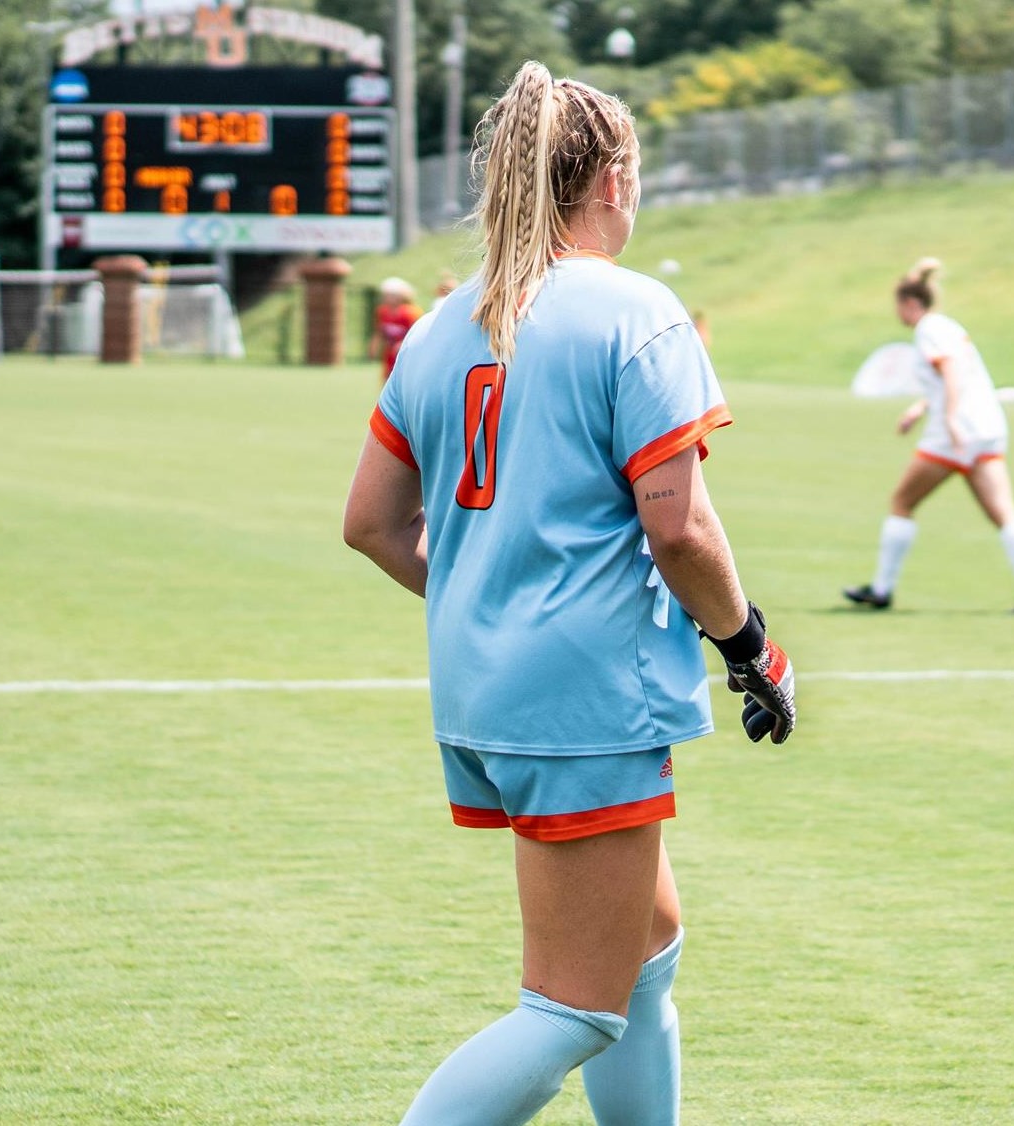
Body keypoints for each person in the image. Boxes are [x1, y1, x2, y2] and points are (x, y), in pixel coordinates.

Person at [342, 62, 796, 1126]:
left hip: (483, 689)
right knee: (572, 1009)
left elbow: (371, 523)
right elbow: (677, 523)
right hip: (583, 700)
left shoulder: (446, 323)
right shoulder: (634, 311)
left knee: (645, 952)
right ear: (612, 180)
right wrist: (750, 648)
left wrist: (486, 599)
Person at [843, 258, 1014, 614]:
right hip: (986, 429)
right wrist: (920, 407)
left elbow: (952, 371)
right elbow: (956, 376)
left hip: (954, 434)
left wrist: (951, 418)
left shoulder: (928, 329)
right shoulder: (948, 326)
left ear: (910, 304)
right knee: (1003, 512)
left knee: (902, 502)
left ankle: (881, 589)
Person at [369, 276, 422, 382]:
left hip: (407, 355)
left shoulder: (411, 312)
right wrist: (373, 346)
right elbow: (380, 332)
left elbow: (419, 333)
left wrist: (402, 343)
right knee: (387, 381)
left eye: (390, 295)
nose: (386, 297)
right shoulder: (382, 311)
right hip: (390, 355)